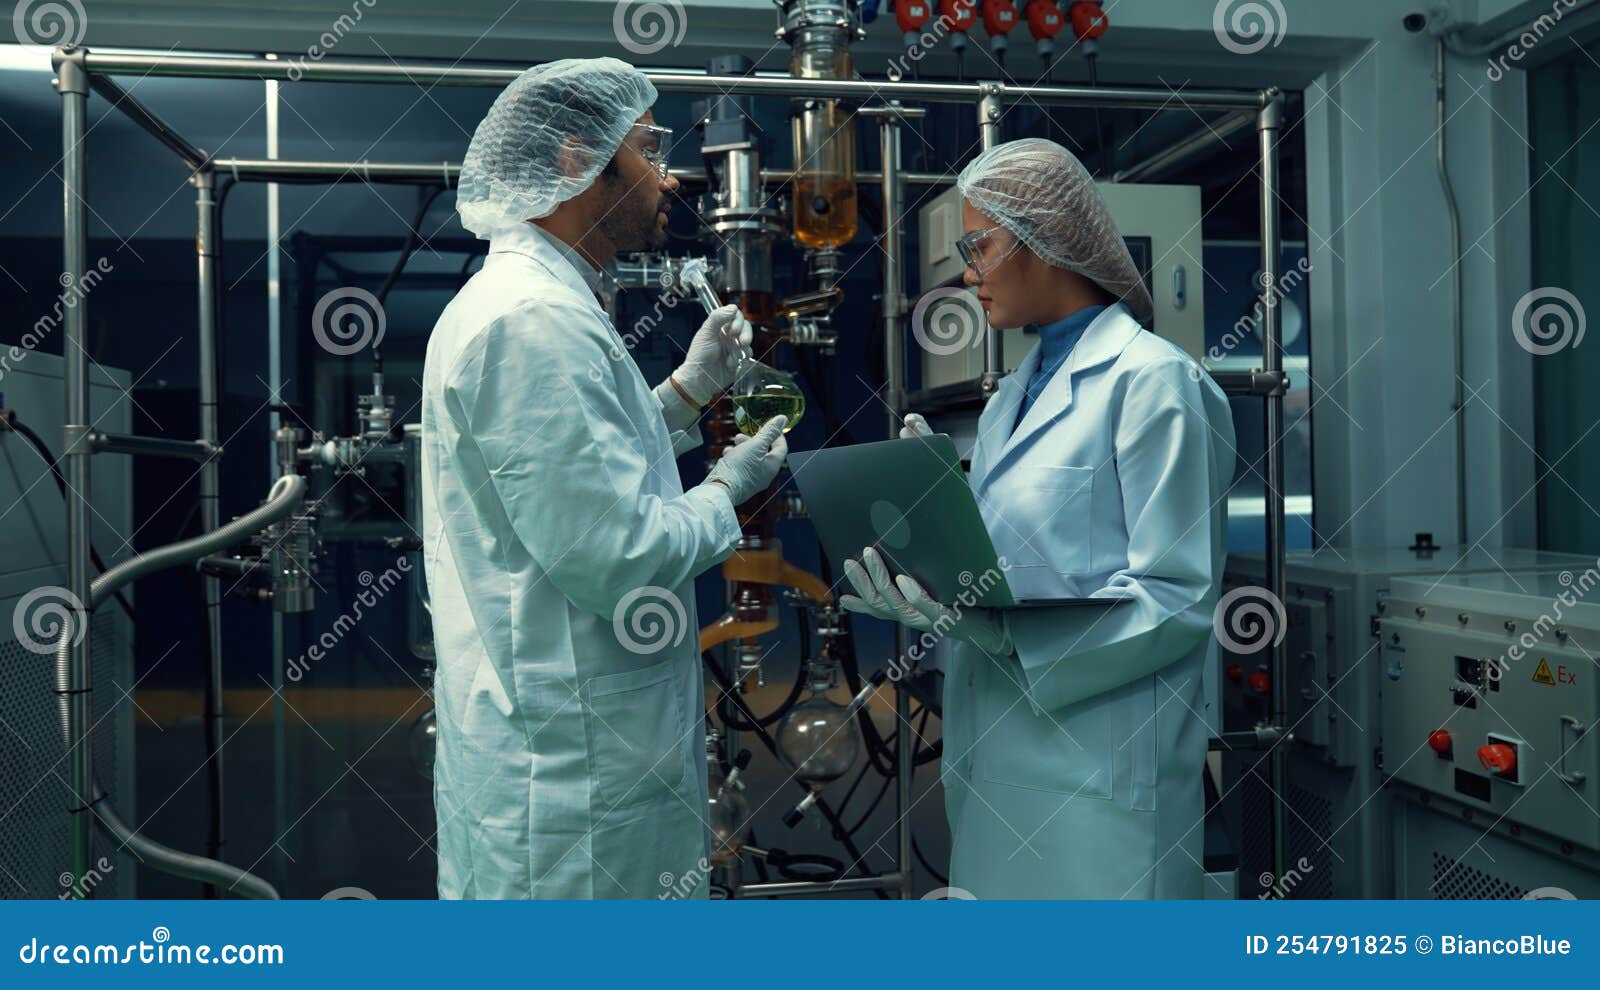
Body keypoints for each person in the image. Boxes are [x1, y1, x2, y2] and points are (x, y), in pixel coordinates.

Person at [420, 58, 787, 899]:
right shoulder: (533, 320)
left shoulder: (535, 302)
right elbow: (617, 553)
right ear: (575, 159)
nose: (669, 175)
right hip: (571, 789)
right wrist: (727, 490)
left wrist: (687, 393)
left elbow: (574, 470)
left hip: (563, 754)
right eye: (648, 150)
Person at [841, 138, 1236, 898]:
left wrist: (1007, 636)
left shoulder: (1156, 383)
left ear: (1045, 240)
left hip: (1099, 783)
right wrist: (936, 520)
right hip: (996, 763)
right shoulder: (1011, 397)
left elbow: (1178, 597)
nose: (967, 274)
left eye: (980, 247)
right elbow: (1023, 558)